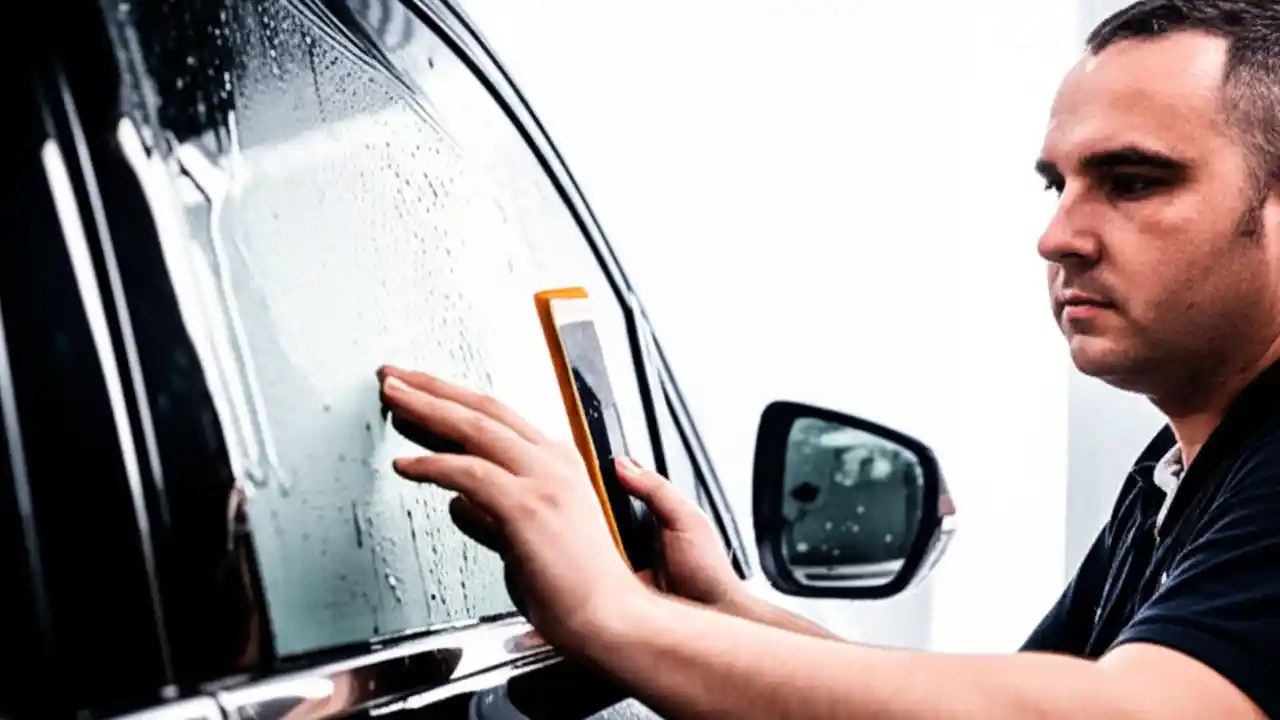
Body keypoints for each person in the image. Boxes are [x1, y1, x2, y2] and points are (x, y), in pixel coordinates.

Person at [378, 1, 1280, 716]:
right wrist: (720, 614)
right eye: (1058, 184)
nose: (1056, 236)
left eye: (1132, 182)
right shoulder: (1178, 475)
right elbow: (1017, 704)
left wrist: (615, 618)